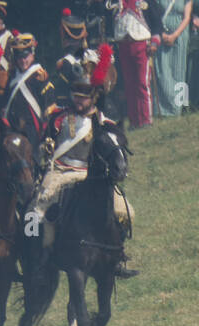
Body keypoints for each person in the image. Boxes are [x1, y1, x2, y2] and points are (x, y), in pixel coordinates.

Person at [29, 48, 137, 278]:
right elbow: (42, 146)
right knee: (38, 212)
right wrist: (45, 148)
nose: (78, 99)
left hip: (90, 175)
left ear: (94, 96)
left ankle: (117, 255)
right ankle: (43, 253)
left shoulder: (104, 123)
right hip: (60, 173)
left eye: (84, 94)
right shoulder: (58, 118)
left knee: (125, 212)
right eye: (75, 93)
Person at [107, 1, 162, 128]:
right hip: (123, 45)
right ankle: (134, 121)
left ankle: (146, 119)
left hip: (142, 45)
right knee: (129, 84)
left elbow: (157, 23)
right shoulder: (114, 2)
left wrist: (154, 43)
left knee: (142, 83)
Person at [0, 33, 54, 151]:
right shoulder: (12, 77)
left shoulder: (40, 76)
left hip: (32, 132)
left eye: (26, 56)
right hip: (12, 129)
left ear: (32, 54)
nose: (23, 60)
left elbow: (49, 105)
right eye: (19, 57)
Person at [154, 1, 192, 116]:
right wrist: (161, 33)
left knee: (179, 72)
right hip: (162, 33)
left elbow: (187, 18)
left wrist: (175, 35)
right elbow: (154, 13)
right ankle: (162, 110)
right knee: (162, 71)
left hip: (180, 35)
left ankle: (177, 108)